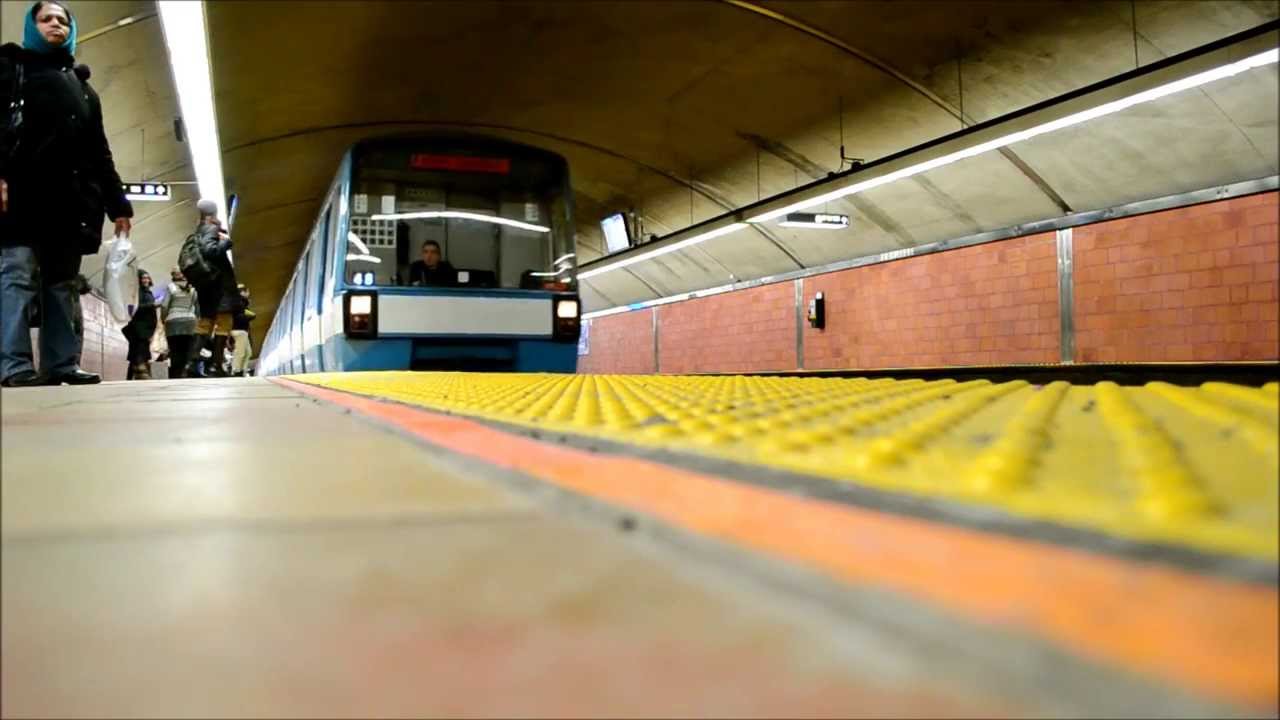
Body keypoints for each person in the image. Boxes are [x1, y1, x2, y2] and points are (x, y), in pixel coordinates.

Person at [0, 1, 132, 387]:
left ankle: (60, 364)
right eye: (46, 19)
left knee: (61, 285)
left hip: (68, 202)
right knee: (17, 277)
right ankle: (15, 367)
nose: (55, 24)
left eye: (62, 20)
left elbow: (98, 152)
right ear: (32, 26)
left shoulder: (84, 89)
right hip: (20, 197)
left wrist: (117, 203)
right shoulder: (12, 69)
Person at [183, 199, 237, 378]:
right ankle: (216, 365)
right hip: (219, 286)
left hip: (207, 287)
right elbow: (210, 251)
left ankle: (191, 364)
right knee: (224, 322)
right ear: (213, 214)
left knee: (205, 322)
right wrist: (227, 243)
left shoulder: (197, 231)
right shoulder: (210, 229)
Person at [159, 267, 198, 378]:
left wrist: (163, 319)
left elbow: (164, 305)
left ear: (172, 275)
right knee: (188, 350)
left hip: (173, 321)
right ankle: (186, 374)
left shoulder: (170, 287)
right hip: (190, 321)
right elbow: (197, 306)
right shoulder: (193, 288)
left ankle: (176, 375)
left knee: (175, 351)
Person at [121, 269, 157, 380]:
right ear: (139, 280)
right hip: (139, 327)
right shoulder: (137, 293)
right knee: (139, 353)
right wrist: (152, 305)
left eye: (147, 277)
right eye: (143, 278)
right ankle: (141, 375)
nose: (146, 280)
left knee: (136, 354)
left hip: (145, 328)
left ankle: (130, 378)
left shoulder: (148, 292)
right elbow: (135, 308)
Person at [229, 283, 254, 377]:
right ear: (242, 292)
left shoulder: (242, 302)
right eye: (247, 292)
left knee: (248, 352)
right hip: (238, 329)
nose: (248, 294)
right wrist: (250, 315)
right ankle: (236, 371)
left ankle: (242, 370)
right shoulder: (238, 302)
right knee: (240, 352)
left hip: (242, 330)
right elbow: (239, 316)